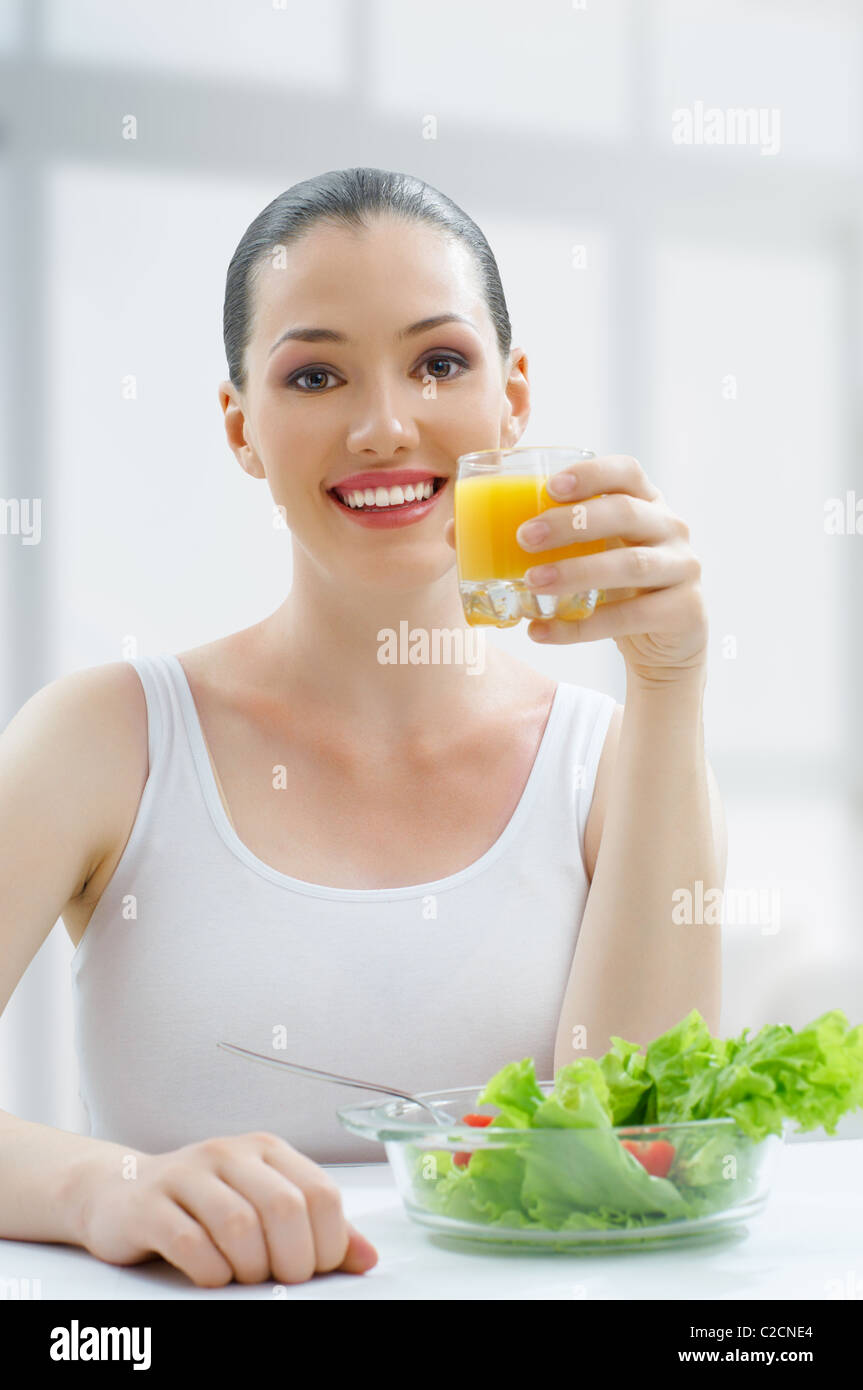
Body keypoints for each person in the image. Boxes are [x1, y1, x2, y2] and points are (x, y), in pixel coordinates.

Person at [0, 167, 726, 1288]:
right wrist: (110, 1185)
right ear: (240, 426)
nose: (385, 426)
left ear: (513, 400)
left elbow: (636, 1169)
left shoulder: (612, 762)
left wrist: (668, 685)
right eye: (315, 373)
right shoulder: (105, 737)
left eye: (439, 362)